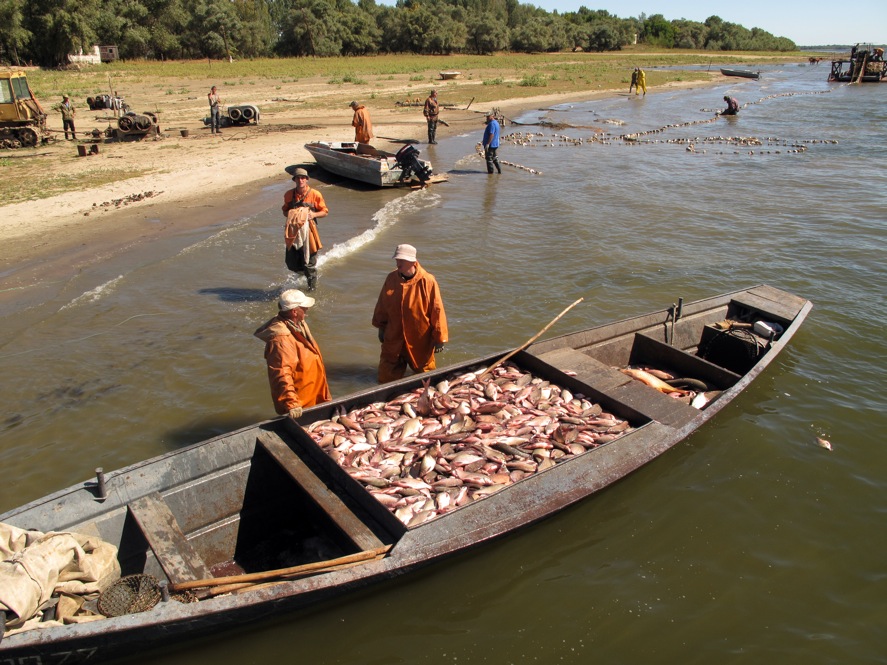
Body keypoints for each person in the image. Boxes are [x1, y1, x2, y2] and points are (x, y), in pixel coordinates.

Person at [372, 244, 448, 384]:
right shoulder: (391, 278)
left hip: (419, 341)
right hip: (393, 338)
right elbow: (382, 304)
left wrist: (439, 338)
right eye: (397, 259)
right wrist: (380, 327)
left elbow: (437, 311)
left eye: (402, 260)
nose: (398, 263)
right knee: (386, 377)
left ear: (413, 262)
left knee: (427, 378)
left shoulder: (427, 281)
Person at [254, 289, 331, 419]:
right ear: (294, 311)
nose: (307, 310)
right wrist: (292, 403)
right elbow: (281, 372)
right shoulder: (281, 339)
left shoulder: (297, 323)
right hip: (302, 403)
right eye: (304, 308)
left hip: (313, 393)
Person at [282, 167, 329, 291]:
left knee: (309, 262)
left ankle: (312, 288)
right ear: (295, 180)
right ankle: (303, 273)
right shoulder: (288, 195)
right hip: (293, 232)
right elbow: (285, 211)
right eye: (298, 178)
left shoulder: (315, 194)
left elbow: (324, 212)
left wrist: (312, 215)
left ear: (307, 180)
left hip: (310, 232)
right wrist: (294, 215)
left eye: (303, 178)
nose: (300, 180)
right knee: (291, 263)